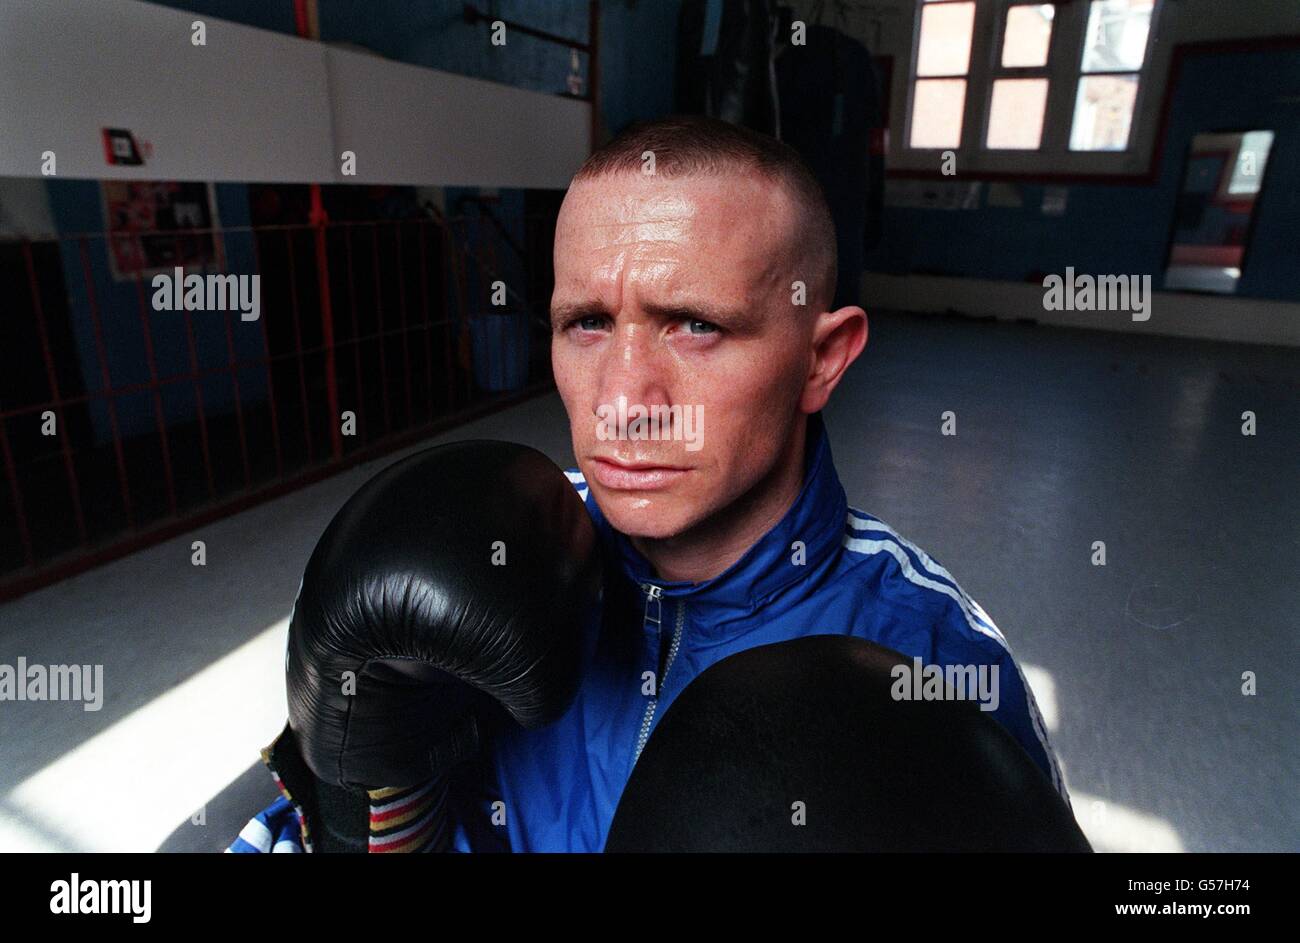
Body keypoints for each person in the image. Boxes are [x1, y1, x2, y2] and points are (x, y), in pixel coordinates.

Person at [228, 115, 1066, 854]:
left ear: (822, 357)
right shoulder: (489, 556)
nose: (622, 403)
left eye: (696, 324)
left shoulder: (928, 652)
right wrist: (363, 791)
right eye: (586, 323)